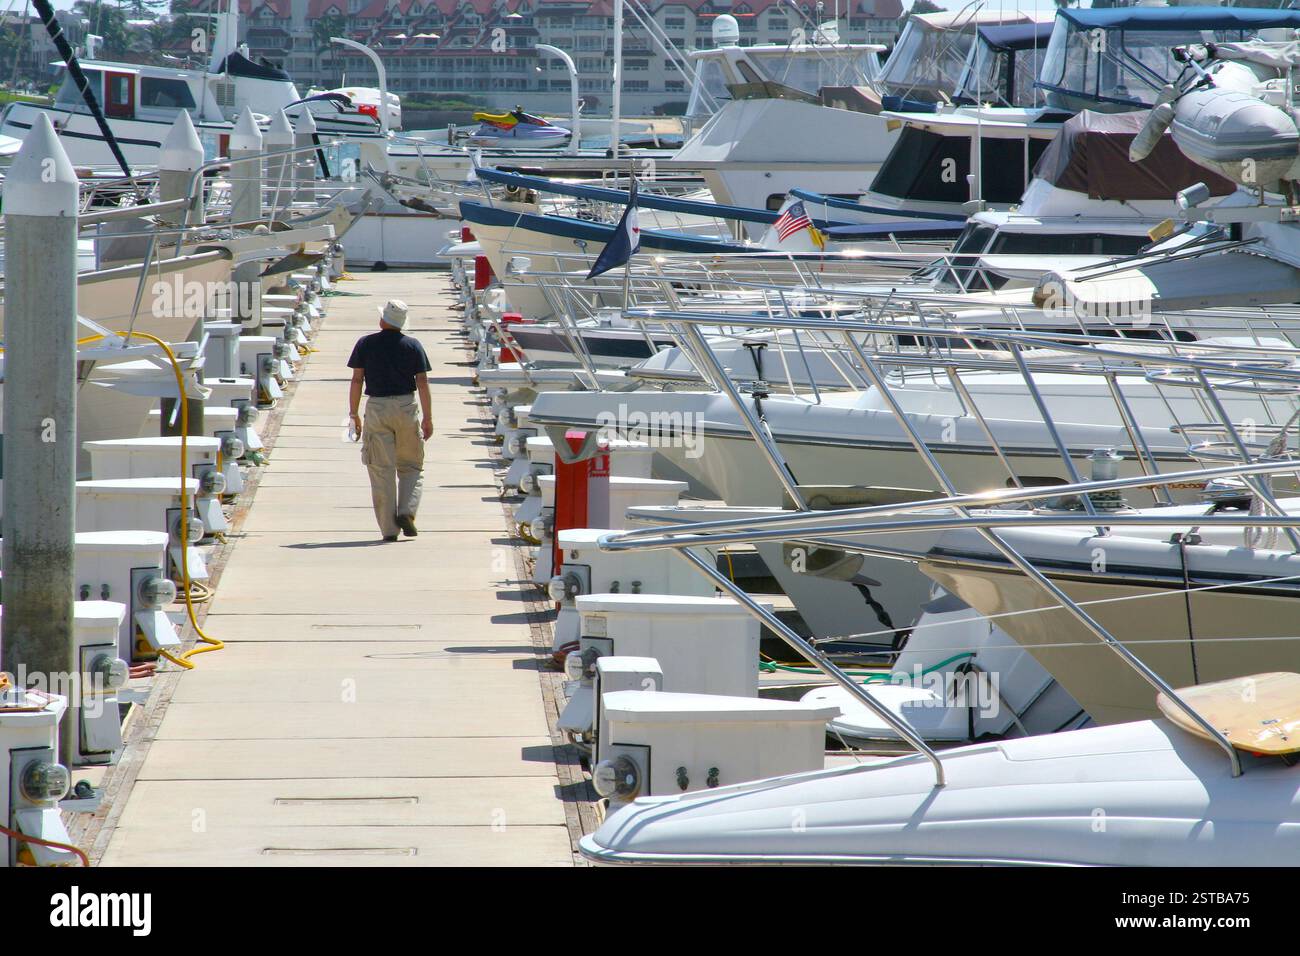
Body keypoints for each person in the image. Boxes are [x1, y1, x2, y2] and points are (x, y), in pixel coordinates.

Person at [347, 299, 434, 541]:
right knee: (412, 466)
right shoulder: (413, 345)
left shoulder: (365, 343)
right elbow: (423, 382)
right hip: (406, 406)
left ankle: (388, 529)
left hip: (377, 407)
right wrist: (427, 418)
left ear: (382, 320)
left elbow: (357, 380)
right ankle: (406, 510)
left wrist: (353, 414)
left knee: (380, 470)